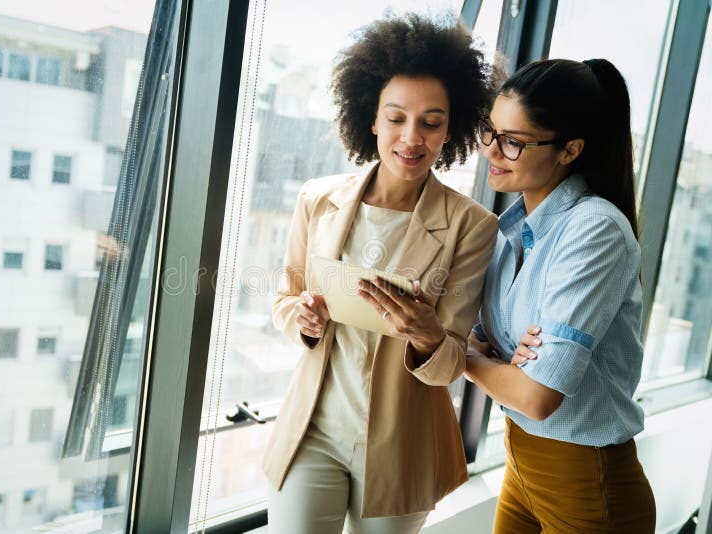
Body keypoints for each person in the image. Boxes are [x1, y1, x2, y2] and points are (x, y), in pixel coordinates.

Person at [262, 13, 498, 534]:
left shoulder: (472, 226)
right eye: (396, 118)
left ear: (450, 130)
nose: (411, 137)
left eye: (431, 122)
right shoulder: (316, 199)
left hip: (402, 441)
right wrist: (300, 317)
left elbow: (453, 360)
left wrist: (428, 335)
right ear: (372, 118)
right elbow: (286, 297)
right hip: (314, 430)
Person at [465, 58, 656, 533]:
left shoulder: (595, 228)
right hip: (522, 468)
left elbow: (535, 395)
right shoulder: (512, 231)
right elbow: (479, 336)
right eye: (491, 131)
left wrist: (461, 358)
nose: (492, 151)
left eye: (514, 142)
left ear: (569, 150)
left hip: (589, 488)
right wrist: (492, 358)